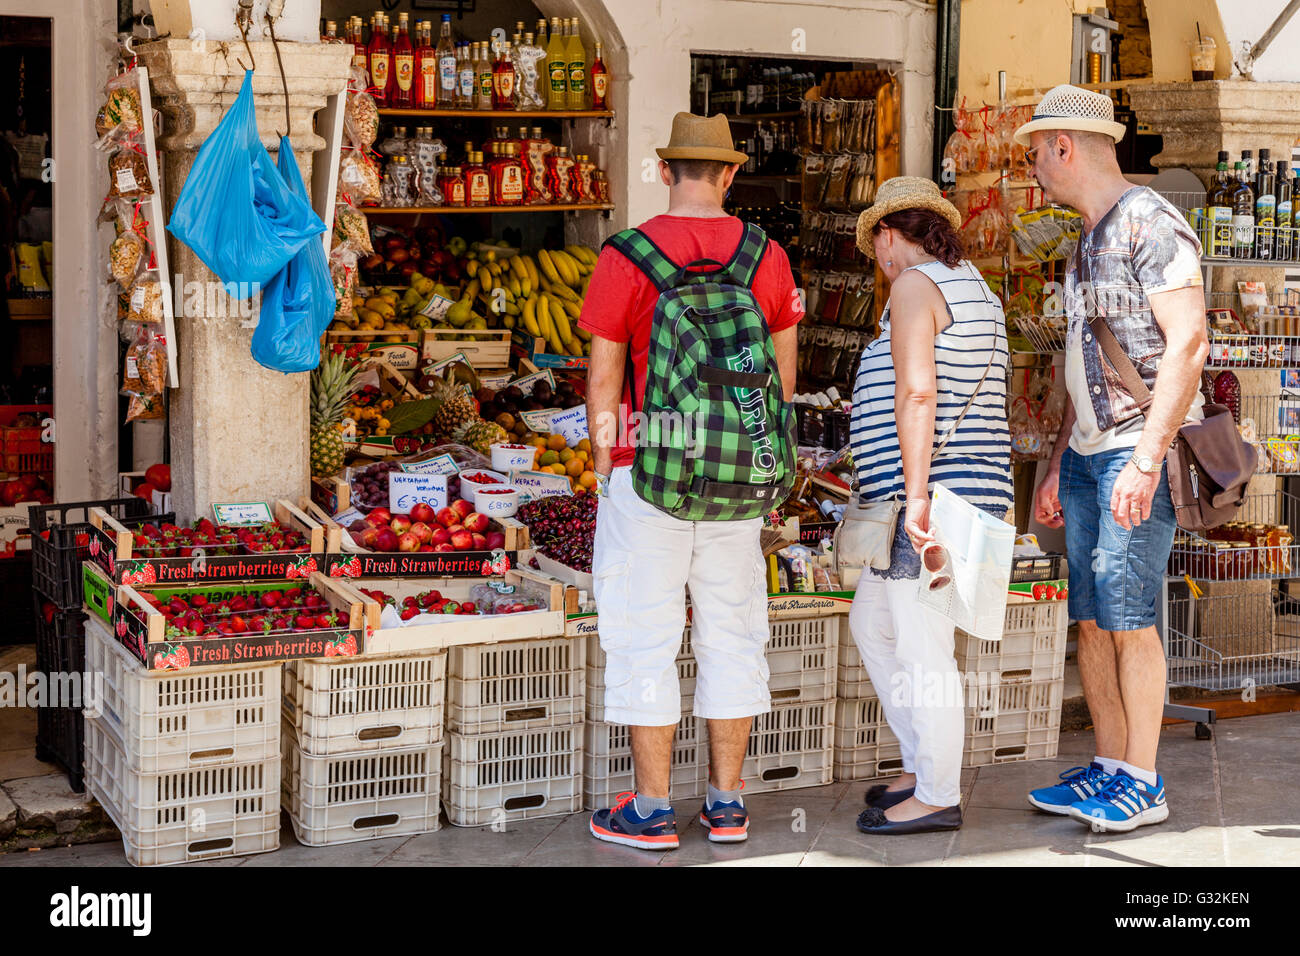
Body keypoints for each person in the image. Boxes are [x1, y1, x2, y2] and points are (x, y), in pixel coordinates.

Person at [579, 112, 803, 850]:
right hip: (736, 483)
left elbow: (605, 381)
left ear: (666, 168)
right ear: (731, 174)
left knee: (644, 637)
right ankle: (728, 804)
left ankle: (649, 812)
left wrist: (607, 463)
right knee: (732, 634)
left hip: (650, 474)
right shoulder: (765, 256)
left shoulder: (626, 254)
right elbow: (785, 381)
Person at [1018, 86, 1208, 833]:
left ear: (1066, 147)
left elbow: (1187, 344)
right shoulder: (1087, 237)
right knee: (1093, 619)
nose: (1034, 168)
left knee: (1129, 617)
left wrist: (1145, 461)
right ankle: (1109, 765)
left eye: (1037, 152)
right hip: (1092, 455)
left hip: (1137, 452)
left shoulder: (1152, 224)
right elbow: (1085, 361)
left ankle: (1144, 782)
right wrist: (1062, 460)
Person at [848, 177, 1013, 835]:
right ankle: (922, 765)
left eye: (877, 246)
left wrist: (916, 498)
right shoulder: (974, 287)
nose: (878, 261)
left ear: (891, 234)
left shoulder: (915, 286)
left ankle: (939, 793)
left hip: (934, 501)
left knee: (922, 648)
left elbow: (918, 393)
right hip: (969, 495)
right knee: (876, 625)